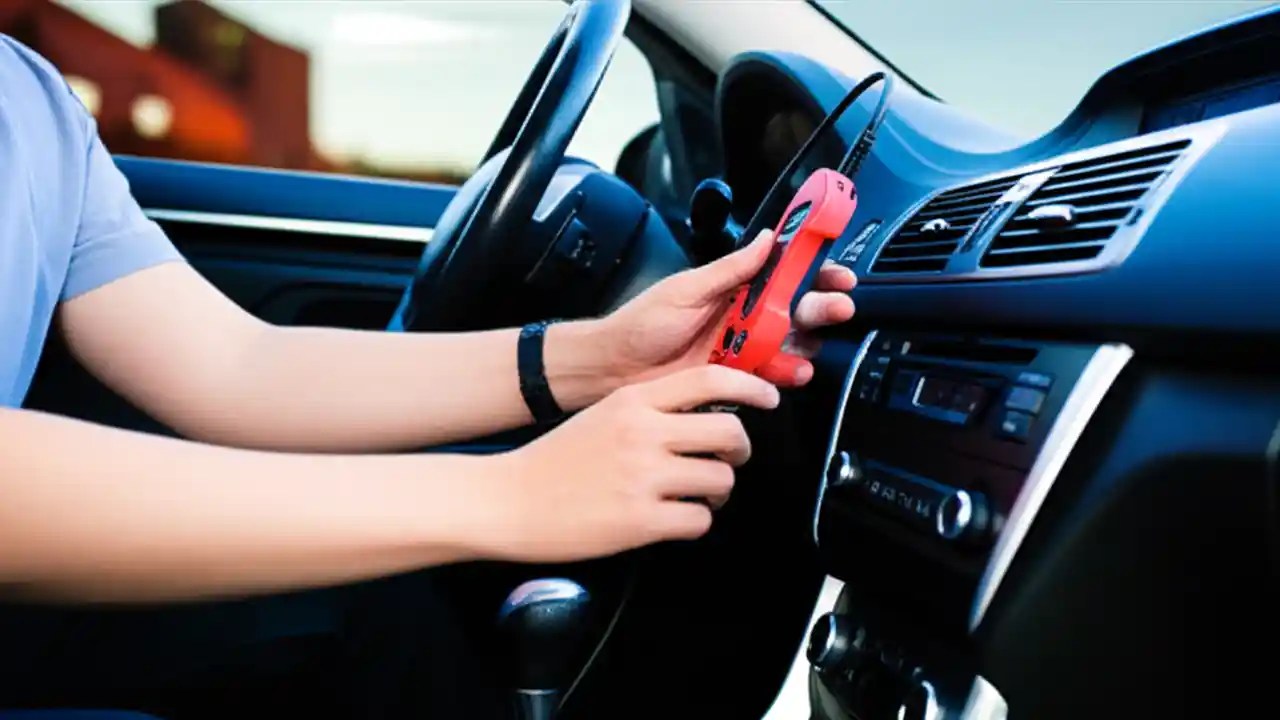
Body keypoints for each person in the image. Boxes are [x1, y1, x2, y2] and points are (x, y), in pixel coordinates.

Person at [0, 35, 856, 717]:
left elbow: (233, 365)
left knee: (371, 608)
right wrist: (510, 499)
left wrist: (598, 355)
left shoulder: (31, 99)